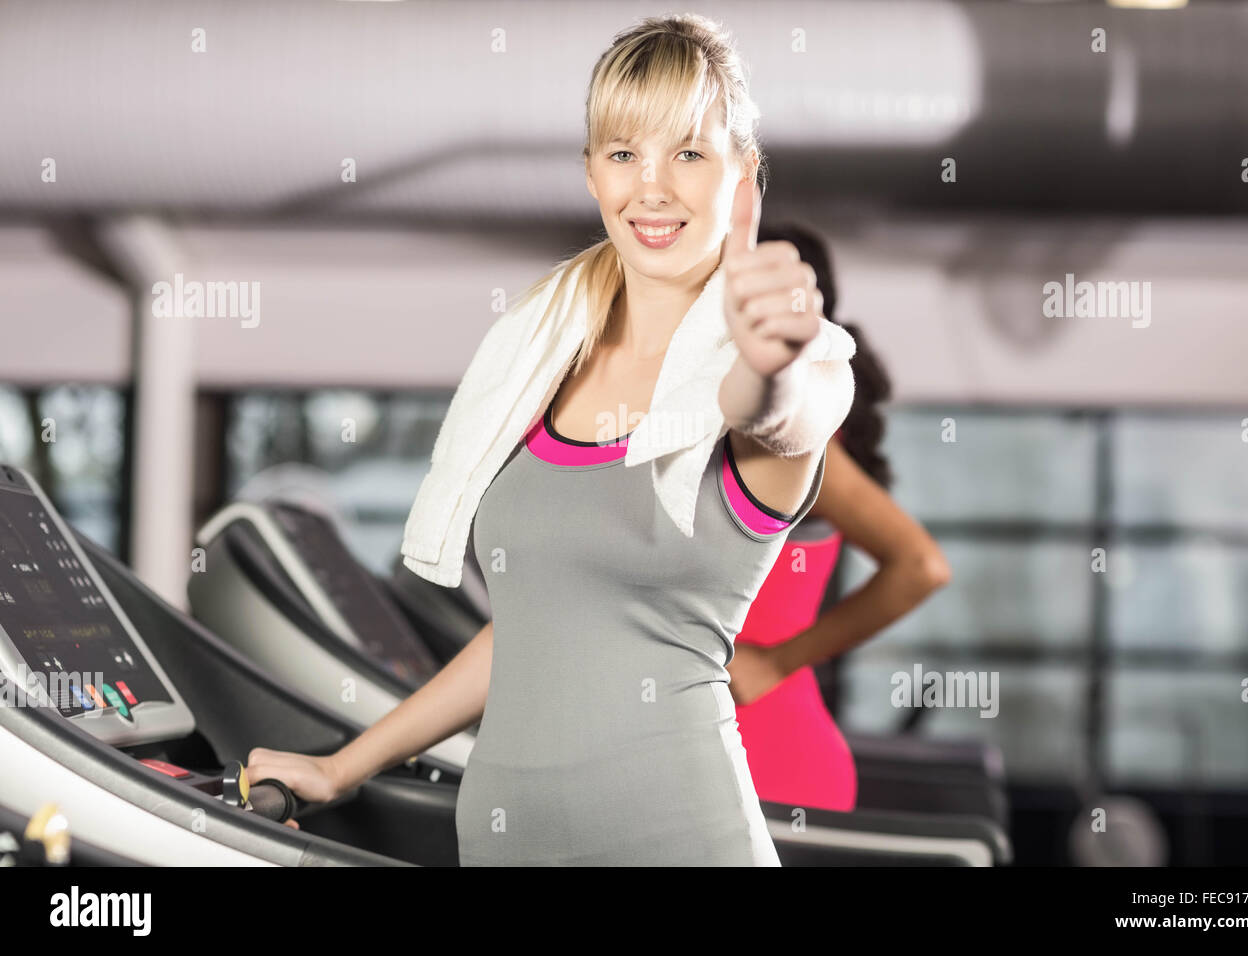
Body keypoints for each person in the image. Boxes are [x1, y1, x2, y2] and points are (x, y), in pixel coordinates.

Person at [246, 14, 854, 865]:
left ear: (745, 176)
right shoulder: (539, 358)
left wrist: (767, 357)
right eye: (622, 153)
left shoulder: (797, 367)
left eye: (688, 153)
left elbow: (779, 408)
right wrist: (343, 765)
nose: (652, 188)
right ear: (591, 173)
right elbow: (532, 631)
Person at [727, 223, 952, 813]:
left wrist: (775, 661)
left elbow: (921, 566)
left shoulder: (799, 441)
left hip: (771, 755)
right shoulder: (712, 428)